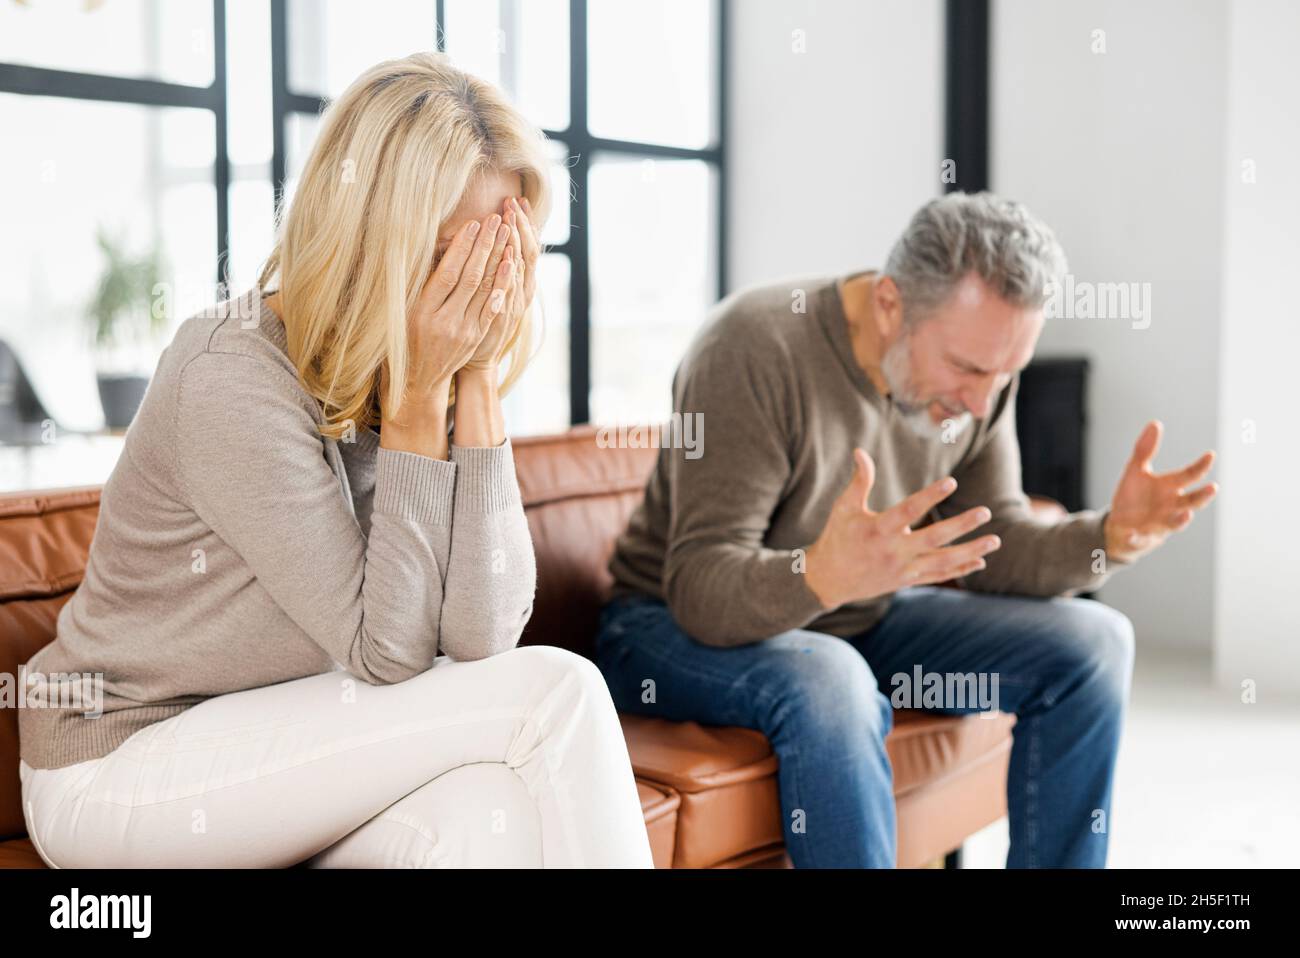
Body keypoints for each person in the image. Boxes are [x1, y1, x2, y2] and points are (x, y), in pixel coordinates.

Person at [17, 52, 654, 869]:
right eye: (461, 258)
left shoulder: (412, 363)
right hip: (122, 762)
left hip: (288, 739)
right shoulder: (232, 371)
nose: (483, 289)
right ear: (375, 239)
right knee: (558, 693)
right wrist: (427, 398)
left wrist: (480, 380)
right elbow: (385, 650)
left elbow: (483, 635)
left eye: (506, 259)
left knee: (487, 814)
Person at [595, 191, 1218, 868]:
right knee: (831, 679)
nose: (983, 401)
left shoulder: (985, 378)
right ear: (891, 305)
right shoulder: (755, 346)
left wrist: (1109, 538)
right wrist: (821, 575)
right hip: (667, 630)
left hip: (856, 616)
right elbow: (700, 584)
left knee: (1096, 642)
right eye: (969, 369)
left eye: (1008, 372)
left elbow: (993, 540)